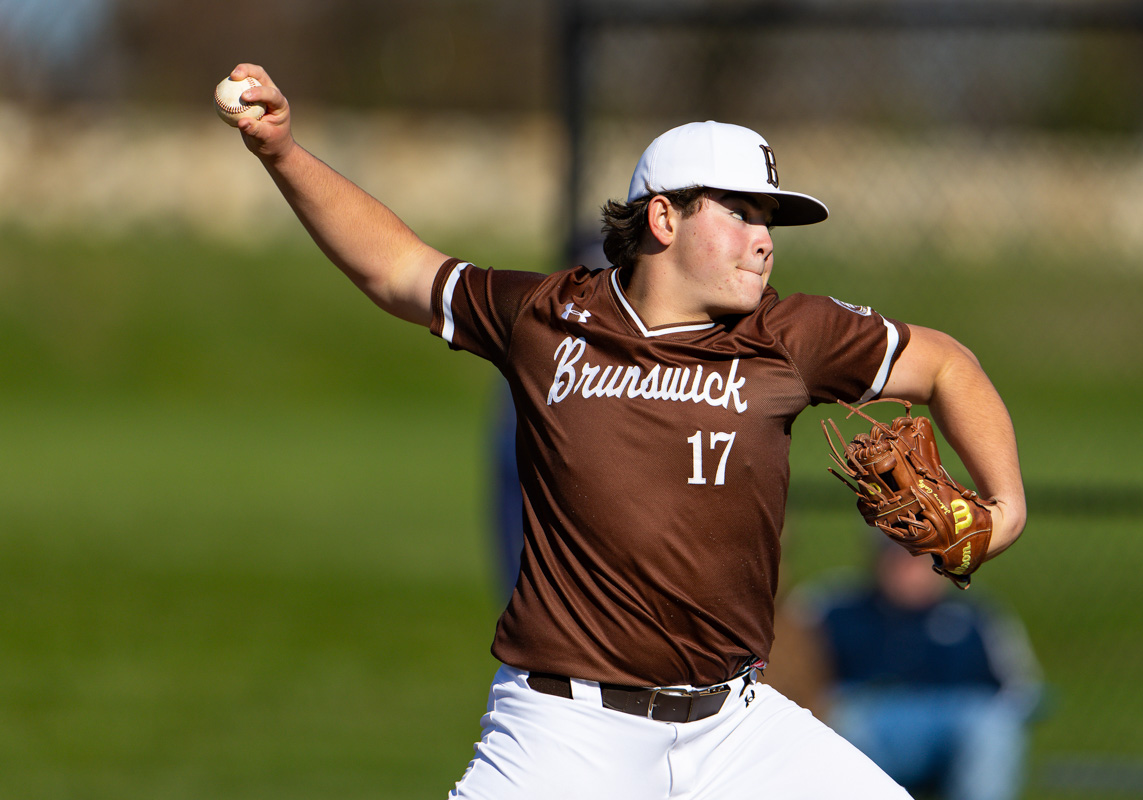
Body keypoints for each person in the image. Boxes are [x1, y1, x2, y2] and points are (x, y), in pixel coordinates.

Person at [222, 63, 1027, 799]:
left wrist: (1005, 506)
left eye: (770, 219)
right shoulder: (549, 318)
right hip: (565, 730)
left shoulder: (792, 335)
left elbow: (948, 365)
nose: (763, 237)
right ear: (665, 217)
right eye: (742, 211)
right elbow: (396, 268)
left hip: (734, 726)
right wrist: (283, 151)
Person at [780, 539, 1043, 800]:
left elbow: (1021, 688)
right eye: (901, 560)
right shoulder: (832, 607)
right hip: (867, 718)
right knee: (844, 719)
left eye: (925, 561)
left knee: (991, 724)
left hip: (953, 722)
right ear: (878, 560)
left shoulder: (975, 613)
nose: (912, 571)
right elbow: (791, 672)